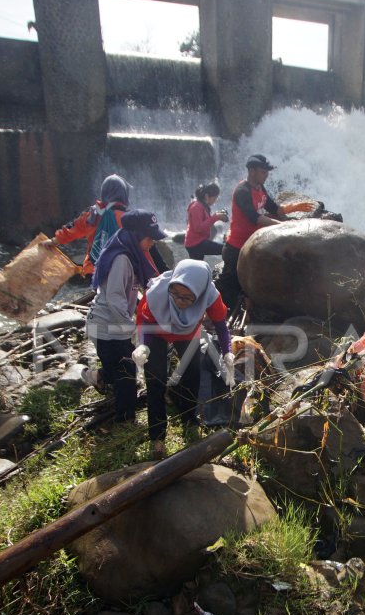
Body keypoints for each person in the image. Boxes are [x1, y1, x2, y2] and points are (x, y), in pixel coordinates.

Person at [136, 260, 232, 457]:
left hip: (189, 333)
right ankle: (157, 436)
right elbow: (144, 322)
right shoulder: (157, 293)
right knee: (155, 380)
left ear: (200, 293)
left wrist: (227, 352)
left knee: (192, 373)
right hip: (156, 333)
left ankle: (189, 418)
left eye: (188, 298)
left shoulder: (210, 295)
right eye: (176, 294)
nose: (180, 301)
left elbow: (221, 326)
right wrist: (143, 345)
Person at [85, 210, 166, 421]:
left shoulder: (129, 254)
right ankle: (125, 423)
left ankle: (98, 376)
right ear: (137, 236)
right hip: (106, 327)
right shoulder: (122, 258)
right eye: (150, 238)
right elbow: (114, 297)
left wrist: (145, 308)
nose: (152, 243)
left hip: (114, 326)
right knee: (126, 377)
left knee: (125, 370)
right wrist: (131, 327)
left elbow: (130, 292)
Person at [219, 154, 286, 312]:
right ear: (252, 171)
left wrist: (289, 217)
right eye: (263, 171)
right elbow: (254, 217)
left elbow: (272, 207)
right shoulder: (242, 191)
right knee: (230, 288)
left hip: (252, 244)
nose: (266, 175)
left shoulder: (260, 188)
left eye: (267, 172)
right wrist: (281, 226)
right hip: (236, 247)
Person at [49, 174, 131, 277]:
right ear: (124, 193)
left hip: (93, 271)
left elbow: (73, 229)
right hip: (120, 272)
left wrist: (53, 241)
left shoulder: (93, 214)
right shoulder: (129, 217)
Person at [184, 182, 228, 262]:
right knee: (227, 250)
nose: (214, 202)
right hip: (195, 244)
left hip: (199, 242)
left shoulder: (203, 206)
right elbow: (198, 228)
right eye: (214, 199)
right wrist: (216, 217)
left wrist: (218, 217)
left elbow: (206, 223)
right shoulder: (196, 206)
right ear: (207, 196)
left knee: (198, 266)